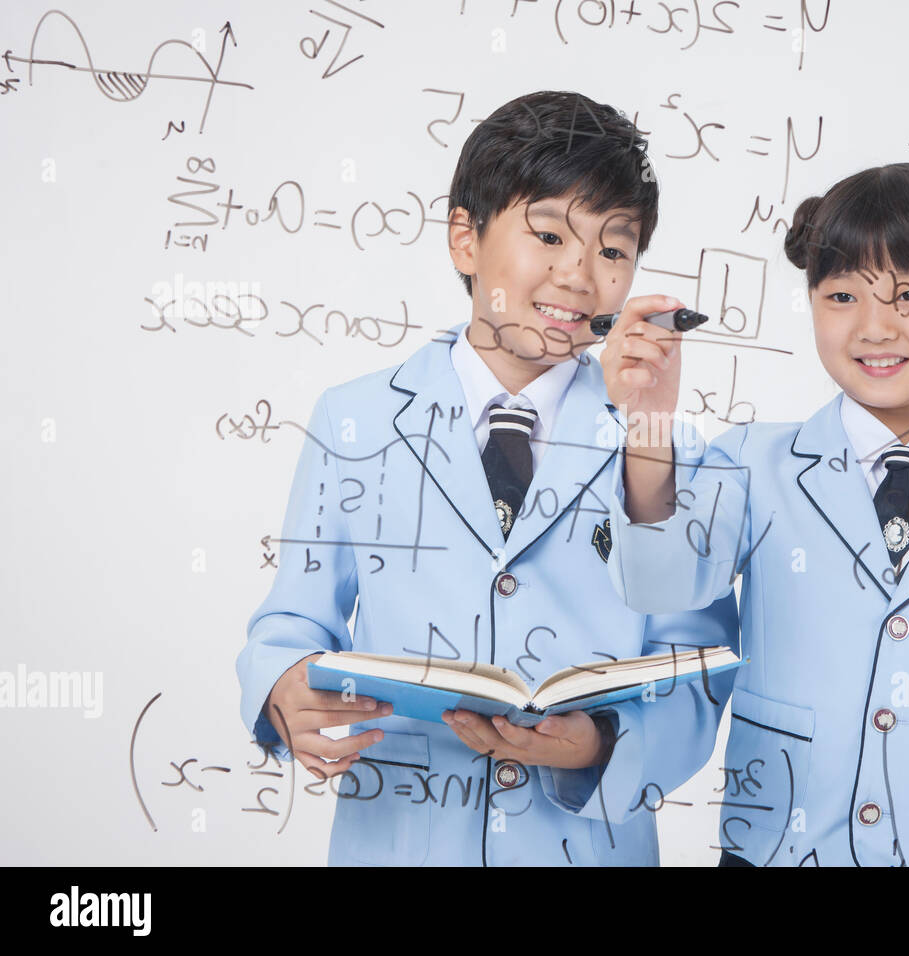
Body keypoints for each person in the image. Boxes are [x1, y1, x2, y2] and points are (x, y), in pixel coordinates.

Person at [236, 90, 739, 866]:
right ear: (465, 239)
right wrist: (284, 691)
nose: (578, 276)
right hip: (401, 838)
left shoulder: (658, 443)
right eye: (547, 234)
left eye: (613, 250)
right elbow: (292, 623)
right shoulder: (354, 420)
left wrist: (596, 745)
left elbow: (698, 664)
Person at [601, 162, 909, 866]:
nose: (874, 328)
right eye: (841, 295)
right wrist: (649, 426)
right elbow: (660, 586)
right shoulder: (750, 464)